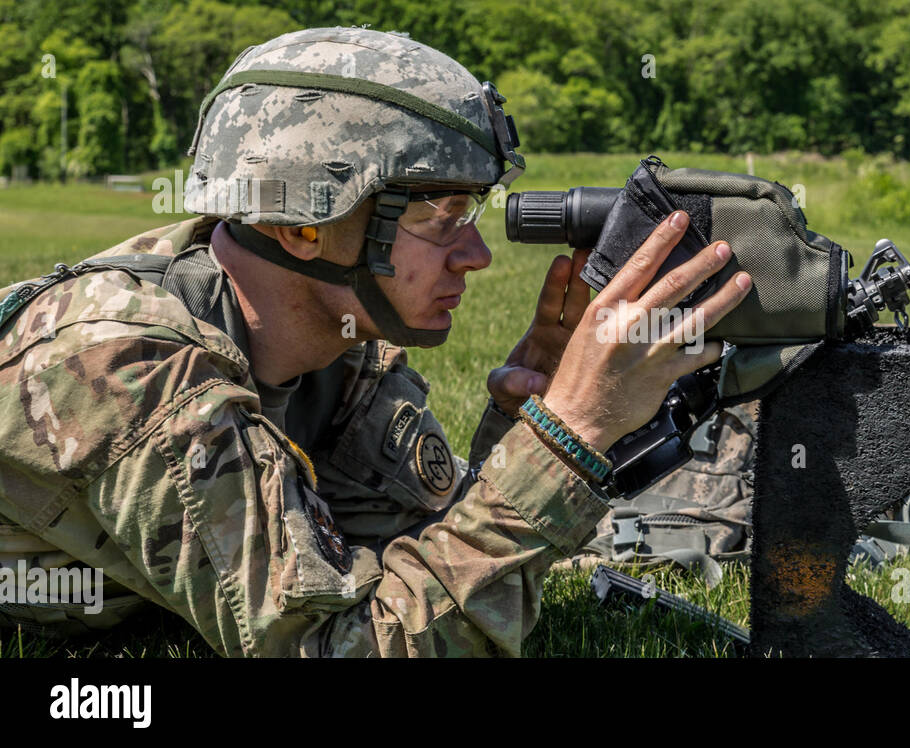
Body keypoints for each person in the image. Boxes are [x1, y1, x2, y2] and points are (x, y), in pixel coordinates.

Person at [0, 27, 750, 657]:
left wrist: (529, 432)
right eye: (440, 215)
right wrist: (568, 436)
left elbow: (424, 558)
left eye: (473, 210)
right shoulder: (124, 369)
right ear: (302, 224)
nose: (477, 255)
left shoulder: (341, 349)